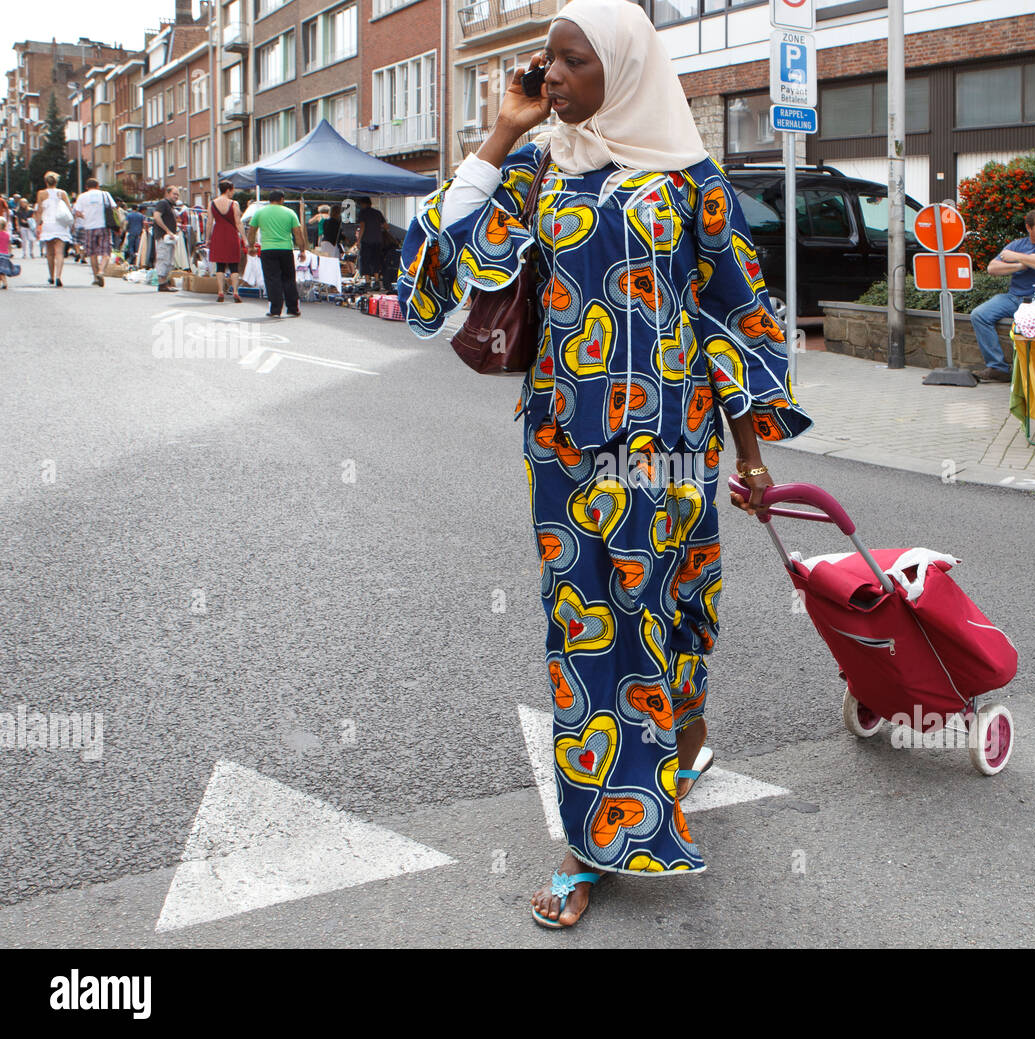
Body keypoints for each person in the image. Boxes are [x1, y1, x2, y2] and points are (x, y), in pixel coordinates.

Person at [398, 0, 812, 929]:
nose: (552, 78)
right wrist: (499, 134)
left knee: (673, 601)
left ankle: (687, 734)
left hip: (671, 446)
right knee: (592, 634)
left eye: (572, 63)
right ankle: (599, 840)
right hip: (566, 446)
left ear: (621, 70)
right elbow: (429, 279)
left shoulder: (688, 179)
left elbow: (735, 317)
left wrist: (752, 457)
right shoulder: (541, 170)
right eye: (544, 63)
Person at [968, 209, 1035, 382]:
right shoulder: (1017, 244)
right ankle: (997, 367)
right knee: (979, 315)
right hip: (1014, 298)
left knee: (1029, 328)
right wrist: (1019, 266)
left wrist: (1017, 257)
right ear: (1029, 228)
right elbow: (992, 268)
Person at [245, 188, 307, 318]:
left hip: (267, 249)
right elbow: (298, 233)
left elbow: (251, 231)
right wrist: (302, 250)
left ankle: (275, 309)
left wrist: (251, 246)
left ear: (269, 200)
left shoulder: (259, 213)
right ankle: (293, 308)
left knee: (272, 279)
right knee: (289, 278)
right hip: (286, 249)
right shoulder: (290, 213)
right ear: (282, 199)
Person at [72, 178, 117, 286]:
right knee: (106, 252)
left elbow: (77, 212)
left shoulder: (82, 196)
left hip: (88, 227)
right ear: (98, 186)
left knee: (93, 254)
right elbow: (114, 208)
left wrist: (85, 216)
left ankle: (96, 277)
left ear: (87, 187)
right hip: (104, 226)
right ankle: (101, 271)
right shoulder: (105, 194)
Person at [34, 171, 75, 287]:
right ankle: (58, 276)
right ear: (56, 182)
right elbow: (69, 209)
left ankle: (51, 276)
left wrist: (38, 225)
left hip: (48, 223)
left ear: (46, 182)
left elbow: (39, 210)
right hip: (61, 224)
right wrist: (72, 224)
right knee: (59, 252)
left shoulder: (41, 193)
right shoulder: (62, 193)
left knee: (50, 253)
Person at [209, 180, 245, 303]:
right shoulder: (234, 204)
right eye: (232, 191)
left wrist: (207, 238)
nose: (233, 193)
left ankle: (220, 292)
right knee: (234, 265)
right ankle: (235, 292)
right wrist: (244, 238)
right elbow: (238, 222)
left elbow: (209, 222)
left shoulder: (212, 203)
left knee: (220, 265)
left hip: (217, 234)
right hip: (231, 235)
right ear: (228, 190)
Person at [151, 185, 182, 292]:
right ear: (167, 193)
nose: (176, 196)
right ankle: (162, 283)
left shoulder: (170, 206)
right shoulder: (163, 203)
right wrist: (167, 230)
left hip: (169, 237)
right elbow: (156, 216)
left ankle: (164, 282)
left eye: (177, 194)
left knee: (168, 259)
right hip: (163, 237)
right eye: (174, 194)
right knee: (163, 258)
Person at [354, 197, 386, 290]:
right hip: (378, 240)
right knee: (376, 260)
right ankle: (376, 281)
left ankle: (367, 282)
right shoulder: (378, 213)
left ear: (363, 204)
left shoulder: (363, 213)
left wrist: (358, 240)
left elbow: (362, 226)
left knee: (366, 260)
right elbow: (386, 226)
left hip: (367, 240)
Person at [0, 217, 17, 288]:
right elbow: (9, 245)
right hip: (5, 254)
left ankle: (5, 283)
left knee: (1, 270)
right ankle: (4, 282)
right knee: (2, 269)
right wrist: (10, 253)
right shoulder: (7, 235)